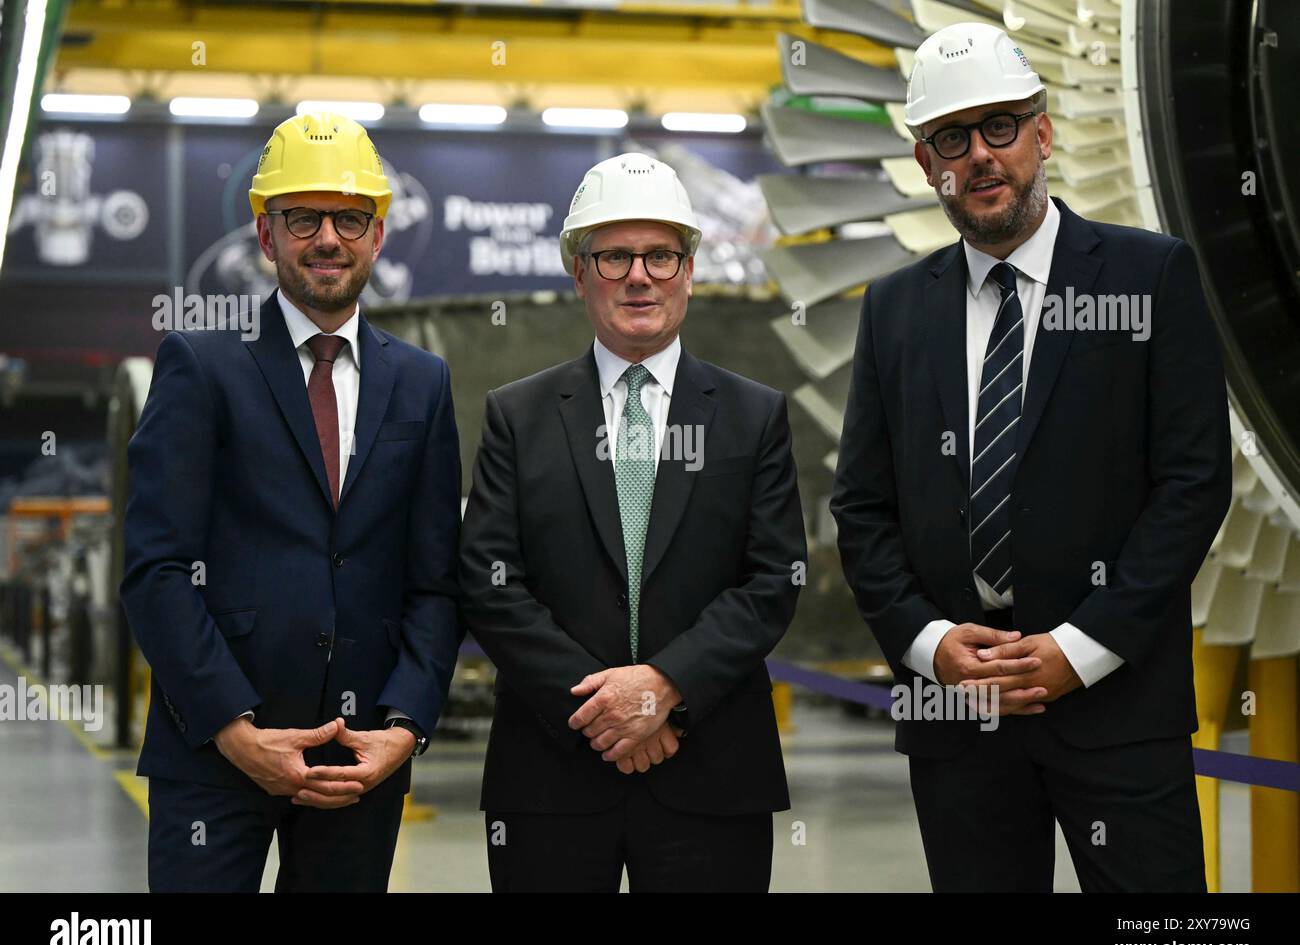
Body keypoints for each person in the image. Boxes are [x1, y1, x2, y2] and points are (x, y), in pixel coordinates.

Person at [830, 23, 1232, 891]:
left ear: (1042, 134)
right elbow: (862, 509)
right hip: (957, 713)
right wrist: (931, 645)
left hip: (1116, 705)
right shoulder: (896, 309)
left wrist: (1080, 647)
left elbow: (1194, 485)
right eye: (952, 138)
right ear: (925, 158)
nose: (978, 156)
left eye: (1000, 128)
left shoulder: (1148, 277)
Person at [121, 111, 462, 892]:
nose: (328, 239)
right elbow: (157, 570)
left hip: (359, 763)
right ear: (266, 235)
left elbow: (436, 580)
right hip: (214, 756)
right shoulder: (200, 367)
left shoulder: (422, 382)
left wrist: (404, 730)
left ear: (379, 236)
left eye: (350, 218)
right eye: (301, 217)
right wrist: (236, 731)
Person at [459, 152, 806, 892]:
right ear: (579, 272)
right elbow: (490, 582)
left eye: (660, 254)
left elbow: (772, 580)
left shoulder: (753, 416)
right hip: (551, 778)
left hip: (711, 776)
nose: (639, 275)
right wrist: (606, 710)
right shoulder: (517, 417)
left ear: (688, 269)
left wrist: (662, 689)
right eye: (614, 256)